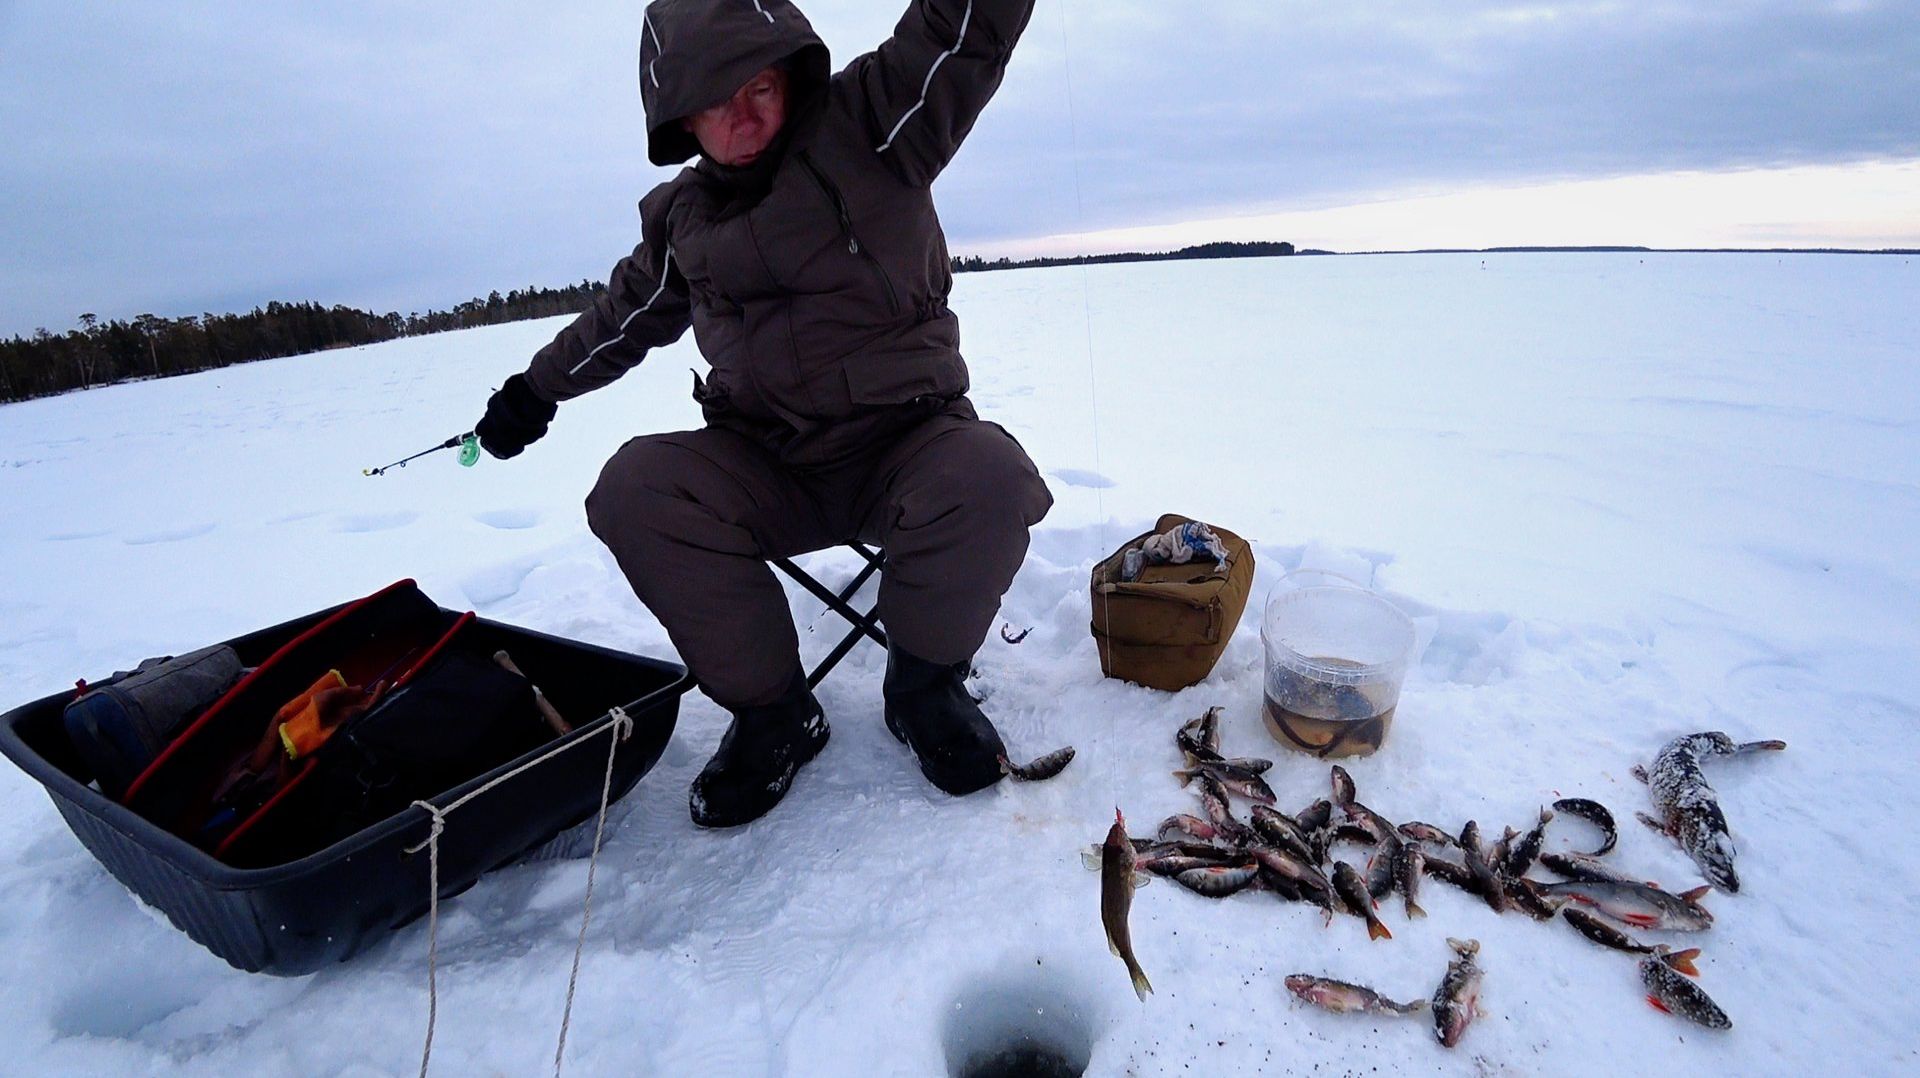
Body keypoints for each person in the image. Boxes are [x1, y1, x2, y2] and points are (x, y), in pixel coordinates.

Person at [475, 0, 1051, 828]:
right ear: (682, 120)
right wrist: (535, 391)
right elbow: (624, 317)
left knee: (989, 475)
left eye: (757, 86)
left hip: (909, 443)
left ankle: (925, 686)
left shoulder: (877, 123)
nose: (741, 117)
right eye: (714, 102)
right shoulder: (685, 221)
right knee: (635, 487)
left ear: (790, 76)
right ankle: (775, 710)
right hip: (768, 461)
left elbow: (962, 31)